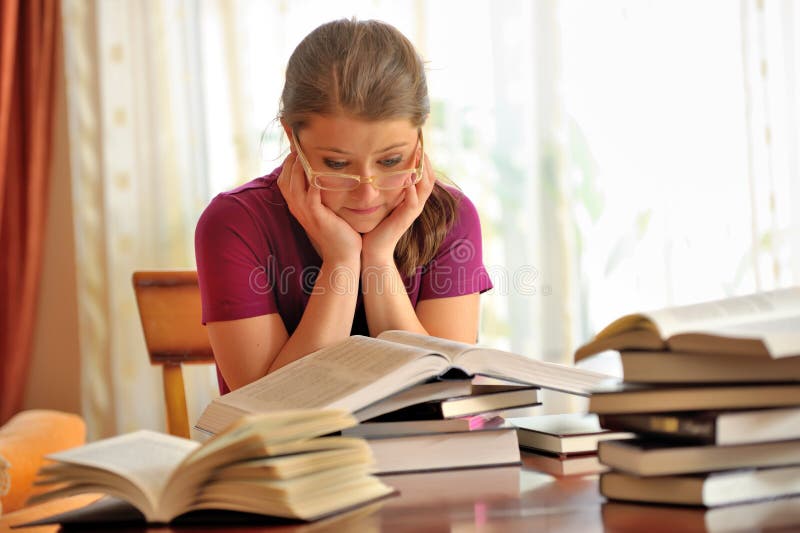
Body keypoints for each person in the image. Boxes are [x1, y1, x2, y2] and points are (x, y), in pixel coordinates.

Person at [195, 18, 493, 393]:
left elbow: (445, 392)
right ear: (292, 137)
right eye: (336, 164)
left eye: (391, 161)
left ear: (420, 135)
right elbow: (270, 404)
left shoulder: (452, 219)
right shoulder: (234, 224)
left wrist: (378, 258)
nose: (367, 194)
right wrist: (342, 261)